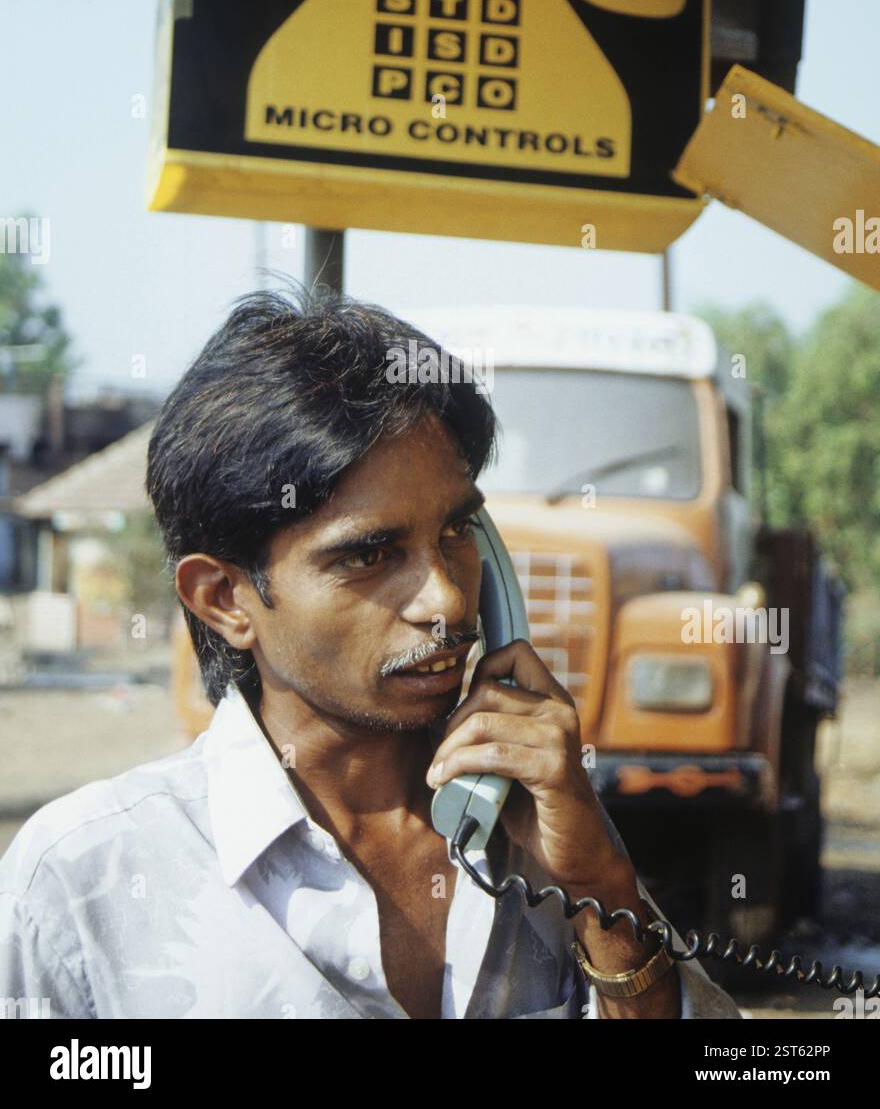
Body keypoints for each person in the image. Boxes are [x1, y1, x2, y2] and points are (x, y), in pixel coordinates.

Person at [0, 286, 740, 1020]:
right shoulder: (81, 880)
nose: (447, 601)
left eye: (456, 532)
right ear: (224, 600)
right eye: (370, 555)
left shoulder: (545, 834)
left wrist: (605, 895)